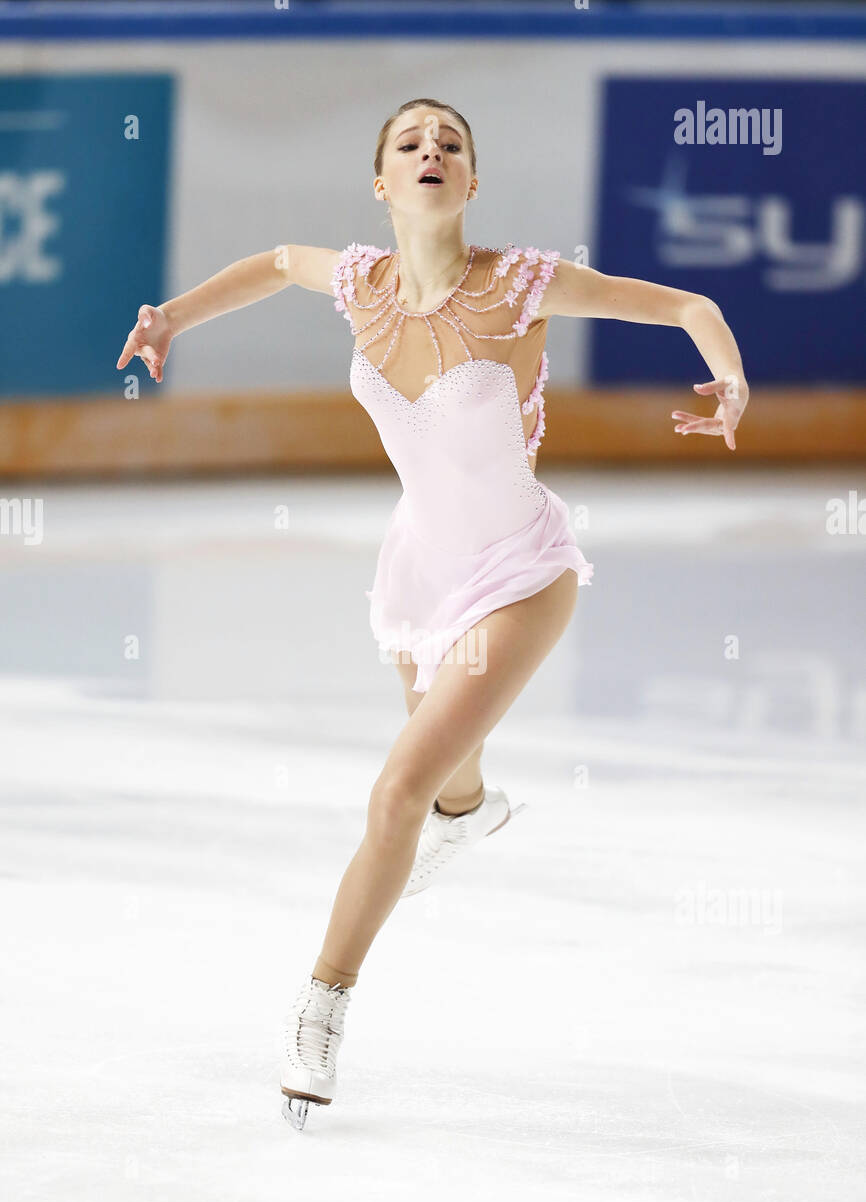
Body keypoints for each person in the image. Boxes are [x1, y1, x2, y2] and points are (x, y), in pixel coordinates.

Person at [116, 98, 748, 1131]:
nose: (429, 151)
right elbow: (278, 260)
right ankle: (474, 812)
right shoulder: (359, 281)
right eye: (408, 142)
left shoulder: (521, 284)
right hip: (420, 566)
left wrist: (727, 379)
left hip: (517, 570)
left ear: (469, 181)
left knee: (397, 785)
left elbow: (685, 306)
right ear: (380, 182)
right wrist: (171, 318)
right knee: (445, 779)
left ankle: (321, 1004)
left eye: (448, 142)